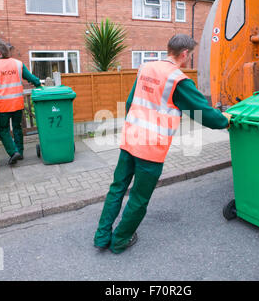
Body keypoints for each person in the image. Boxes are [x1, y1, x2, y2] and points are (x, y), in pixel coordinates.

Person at [94, 34, 232, 254]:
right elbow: (203, 112)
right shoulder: (178, 80)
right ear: (185, 53)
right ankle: (120, 240)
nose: (190, 59)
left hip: (131, 139)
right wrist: (225, 121)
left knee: (117, 187)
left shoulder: (146, 68)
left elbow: (131, 102)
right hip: (151, 149)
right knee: (139, 198)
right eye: (191, 55)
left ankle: (102, 237)